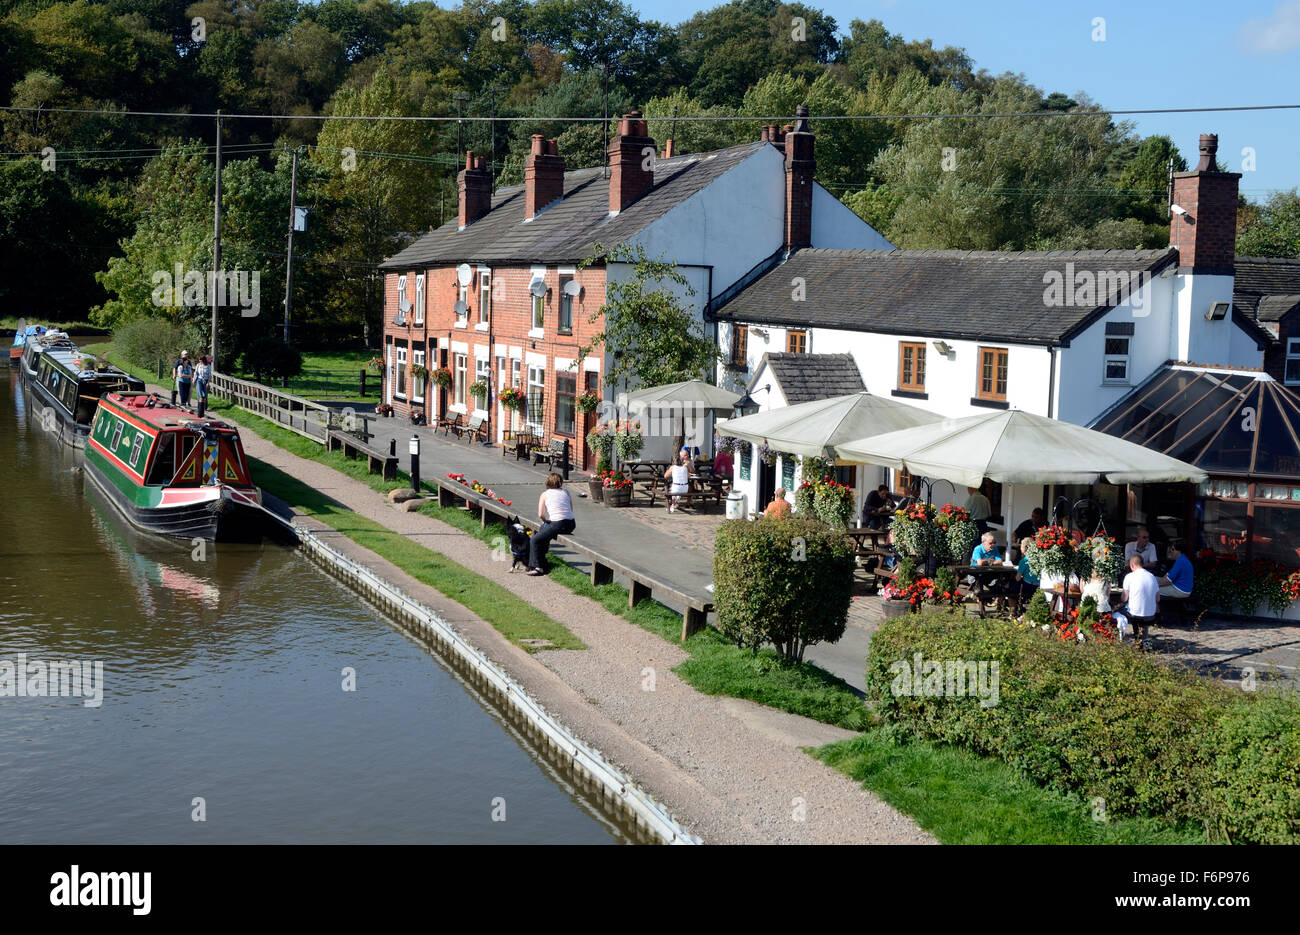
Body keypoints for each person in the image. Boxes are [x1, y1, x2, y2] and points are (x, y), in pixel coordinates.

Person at [528, 473, 576, 576]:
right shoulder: (566, 492)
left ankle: (537, 567)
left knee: (534, 540)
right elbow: (570, 510)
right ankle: (542, 562)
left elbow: (541, 514)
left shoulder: (545, 494)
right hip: (571, 524)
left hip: (557, 524)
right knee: (542, 531)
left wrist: (546, 520)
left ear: (548, 482)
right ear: (560, 482)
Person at [1120, 553, 1159, 647]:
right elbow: (1157, 599)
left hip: (1134, 615)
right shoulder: (1152, 576)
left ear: (1132, 565)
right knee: (1143, 607)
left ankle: (1124, 639)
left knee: (1118, 612)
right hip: (1151, 615)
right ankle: (1145, 639)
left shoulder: (1129, 576)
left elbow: (1124, 598)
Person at [1015, 536, 1040, 602]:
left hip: (1027, 587)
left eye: (1021, 546)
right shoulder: (1039, 559)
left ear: (1025, 548)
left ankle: (1012, 609)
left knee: (1008, 588)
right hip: (1038, 586)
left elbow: (1018, 578)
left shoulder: (1024, 561)